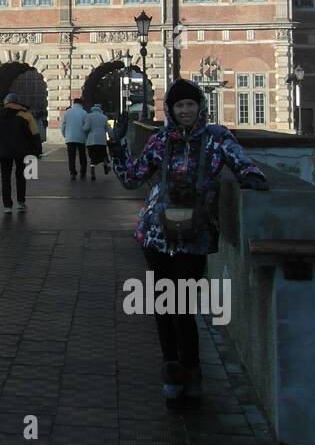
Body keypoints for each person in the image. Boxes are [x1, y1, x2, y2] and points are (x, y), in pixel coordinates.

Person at [109, 78, 269, 410]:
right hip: (155, 235)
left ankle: (191, 373)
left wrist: (253, 179)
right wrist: (117, 145)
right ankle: (172, 372)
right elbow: (131, 178)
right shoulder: (159, 140)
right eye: (179, 105)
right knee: (164, 308)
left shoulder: (216, 139)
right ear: (171, 109)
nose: (185, 110)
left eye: (190, 105)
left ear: (200, 108)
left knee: (182, 309)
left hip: (193, 237)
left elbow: (243, 165)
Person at [0, 91, 43, 214]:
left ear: (6, 102)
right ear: (17, 102)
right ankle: (21, 202)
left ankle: (7, 206)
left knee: (5, 177)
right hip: (21, 149)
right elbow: (34, 133)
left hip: (3, 149)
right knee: (20, 176)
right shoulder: (25, 114)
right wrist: (38, 150)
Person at [61, 97, 90, 180]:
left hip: (70, 137)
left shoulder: (67, 112)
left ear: (73, 103)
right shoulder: (84, 113)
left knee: (71, 156)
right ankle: (83, 172)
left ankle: (72, 172)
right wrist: (83, 131)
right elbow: (87, 126)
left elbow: (63, 125)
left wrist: (65, 135)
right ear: (81, 104)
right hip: (81, 137)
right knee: (82, 155)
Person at [84, 102, 111, 179]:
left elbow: (86, 128)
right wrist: (112, 135)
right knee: (103, 154)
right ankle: (105, 167)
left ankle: (93, 171)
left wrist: (83, 129)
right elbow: (108, 129)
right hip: (101, 140)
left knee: (92, 156)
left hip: (91, 140)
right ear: (100, 110)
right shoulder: (104, 117)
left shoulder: (89, 116)